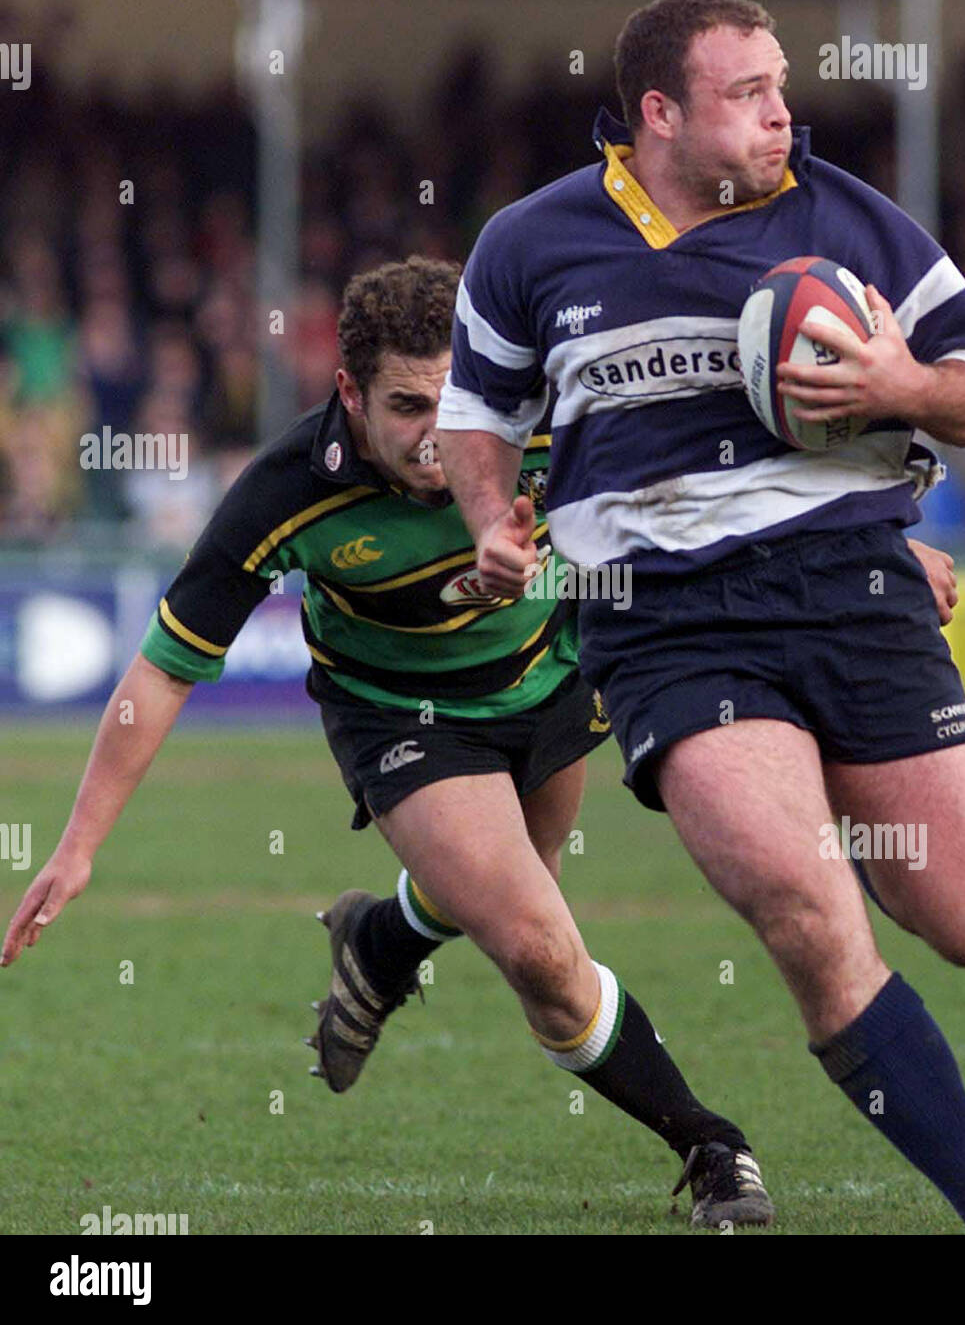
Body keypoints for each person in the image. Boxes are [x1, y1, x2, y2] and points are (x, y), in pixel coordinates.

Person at [435, 0, 965, 1234]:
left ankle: (821, 792)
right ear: (658, 112)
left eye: (780, 84)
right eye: (749, 93)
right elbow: (474, 416)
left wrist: (900, 381)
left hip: (850, 588)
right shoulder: (528, 242)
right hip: (668, 621)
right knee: (806, 915)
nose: (784, 112)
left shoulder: (847, 221)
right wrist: (491, 522)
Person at [1, 257, 776, 1229]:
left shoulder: (548, 418)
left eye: (454, 402)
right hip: (400, 715)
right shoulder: (286, 489)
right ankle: (712, 1142)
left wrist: (876, 547)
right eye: (407, 406)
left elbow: (708, 489)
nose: (434, 435)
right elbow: (162, 669)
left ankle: (382, 936)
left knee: (515, 898)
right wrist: (76, 846)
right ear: (348, 395)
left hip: (551, 684)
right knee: (538, 948)